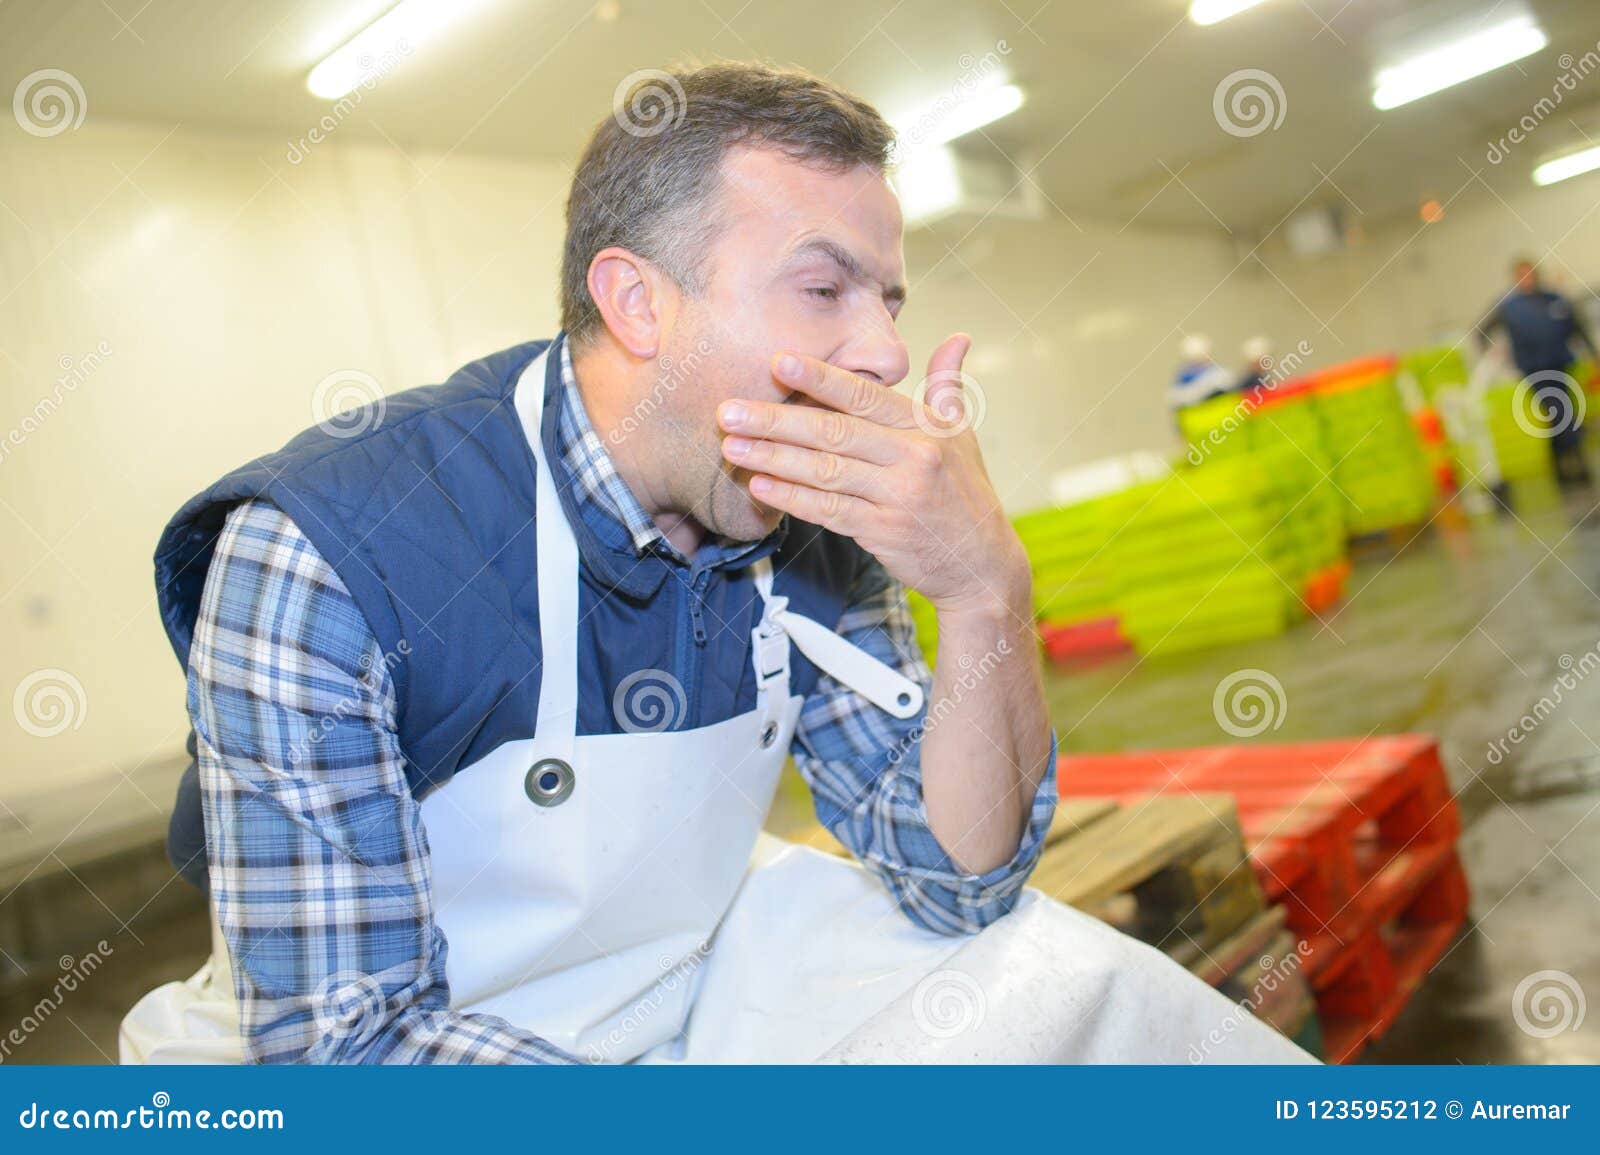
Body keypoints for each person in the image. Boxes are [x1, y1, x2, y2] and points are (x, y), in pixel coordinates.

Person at [120, 63, 1311, 1066]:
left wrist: (983, 587)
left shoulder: (809, 512)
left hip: (672, 986)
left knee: (1071, 984)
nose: (885, 351)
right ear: (638, 302)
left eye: (889, 299)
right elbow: (352, 1045)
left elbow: (956, 884)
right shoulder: (325, 557)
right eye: (822, 288)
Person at [1478, 257, 1599, 485]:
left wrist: (1594, 356)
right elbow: (1481, 331)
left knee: (1559, 414)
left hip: (1560, 365)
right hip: (1534, 370)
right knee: (1561, 412)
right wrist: (1493, 354)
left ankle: (1560, 467)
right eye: (1522, 275)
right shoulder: (1507, 307)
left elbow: (1578, 328)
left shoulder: (1555, 300)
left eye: (1530, 274)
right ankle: (1577, 465)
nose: (1527, 279)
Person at [1167, 333, 1237, 416]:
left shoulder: (1220, 374)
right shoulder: (1183, 377)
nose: (1198, 362)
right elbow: (1175, 399)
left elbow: (1230, 390)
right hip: (1195, 420)